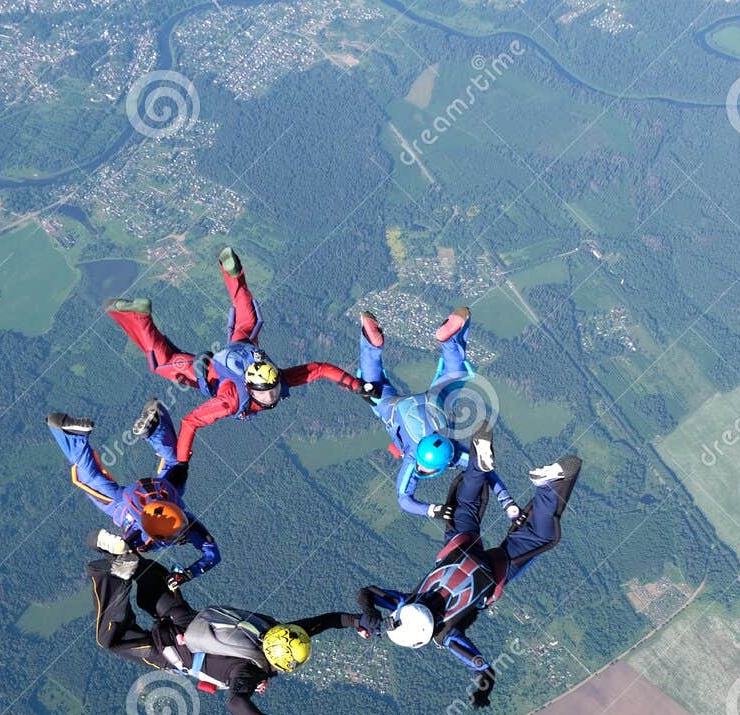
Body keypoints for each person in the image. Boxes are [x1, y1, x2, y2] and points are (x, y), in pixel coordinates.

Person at [357, 423, 582, 708]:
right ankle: (478, 460)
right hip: (460, 549)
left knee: (539, 535)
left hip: (491, 574)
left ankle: (550, 486)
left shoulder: (445, 635)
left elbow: (484, 669)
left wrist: (483, 693)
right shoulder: (405, 601)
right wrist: (369, 613)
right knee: (466, 504)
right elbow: (366, 592)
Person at [107, 245, 363, 461]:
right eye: (268, 392)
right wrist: (182, 463)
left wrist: (357, 386)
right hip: (208, 372)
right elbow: (190, 422)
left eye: (272, 389)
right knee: (162, 363)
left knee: (246, 322)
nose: (272, 397)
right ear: (251, 387)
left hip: (241, 351)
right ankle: (140, 317)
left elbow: (320, 369)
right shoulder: (230, 400)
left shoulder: (278, 378)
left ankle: (233, 272)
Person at [88, 553, 359, 715]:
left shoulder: (275, 634)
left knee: (152, 587)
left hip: (188, 620)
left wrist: (353, 620)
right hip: (169, 651)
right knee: (112, 640)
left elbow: (318, 623)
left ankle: (130, 560)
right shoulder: (247, 672)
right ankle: (110, 576)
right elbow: (236, 702)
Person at [353, 306, 518, 521]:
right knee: (371, 387)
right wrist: (433, 510)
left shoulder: (453, 452)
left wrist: (508, 502)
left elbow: (486, 470)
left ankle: (450, 340)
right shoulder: (413, 458)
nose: (420, 468)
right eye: (425, 469)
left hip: (434, 402)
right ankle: (371, 343)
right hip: (395, 408)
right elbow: (403, 499)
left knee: (454, 374)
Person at [47, 405, 219, 588]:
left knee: (177, 461)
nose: (183, 535)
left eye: (181, 530)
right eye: (177, 535)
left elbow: (213, 555)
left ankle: (155, 425)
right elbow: (212, 554)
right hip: (127, 502)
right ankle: (72, 436)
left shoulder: (181, 522)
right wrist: (185, 575)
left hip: (160, 491)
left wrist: (186, 575)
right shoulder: (140, 534)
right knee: (88, 479)